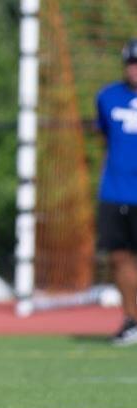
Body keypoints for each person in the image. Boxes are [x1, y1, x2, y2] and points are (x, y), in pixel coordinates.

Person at [97, 39, 137, 347]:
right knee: (119, 258)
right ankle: (132, 320)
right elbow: (104, 137)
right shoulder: (108, 97)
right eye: (131, 64)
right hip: (115, 192)